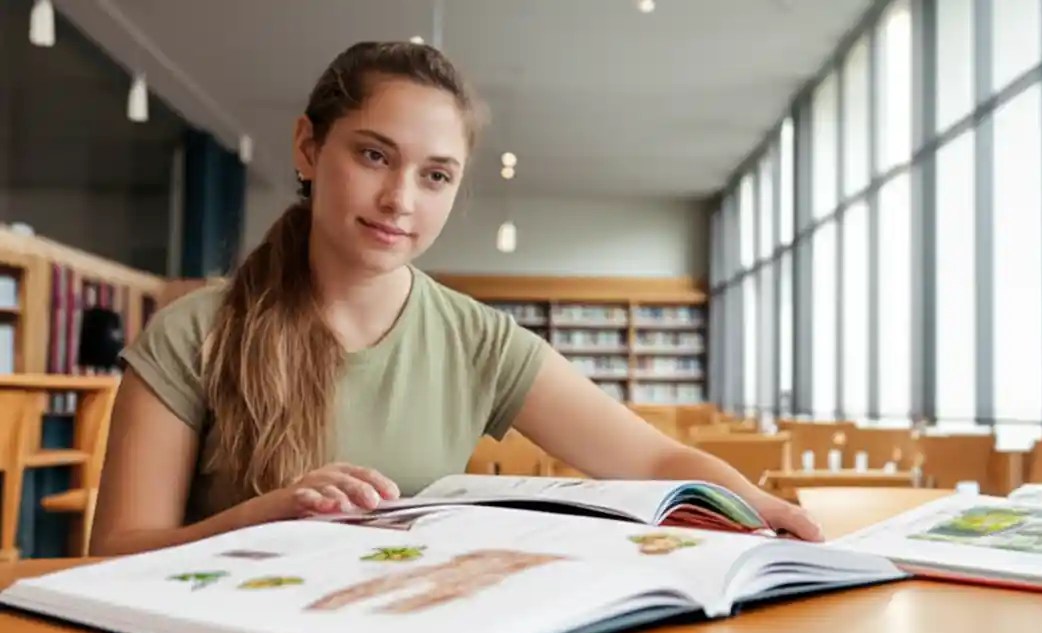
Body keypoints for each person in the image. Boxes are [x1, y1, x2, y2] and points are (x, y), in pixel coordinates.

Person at [89, 41, 822, 557]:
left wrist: (766, 513)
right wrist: (267, 518)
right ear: (309, 149)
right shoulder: (194, 333)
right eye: (374, 155)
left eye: (435, 175)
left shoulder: (479, 341)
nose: (398, 199)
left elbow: (657, 463)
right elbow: (112, 555)